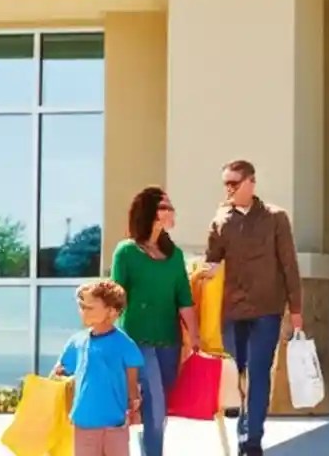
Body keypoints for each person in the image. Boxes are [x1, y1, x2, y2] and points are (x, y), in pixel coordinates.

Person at [204, 159, 303, 456]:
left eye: (234, 183)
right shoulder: (221, 221)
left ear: (251, 182)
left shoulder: (275, 218)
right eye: (226, 184)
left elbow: (289, 265)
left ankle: (251, 439)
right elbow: (212, 261)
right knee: (236, 375)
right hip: (231, 313)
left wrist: (295, 310)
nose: (229, 189)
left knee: (259, 373)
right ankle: (243, 426)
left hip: (266, 310)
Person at [111, 186, 200, 456]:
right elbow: (116, 296)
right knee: (156, 403)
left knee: (158, 408)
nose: (172, 212)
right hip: (137, 340)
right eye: (166, 207)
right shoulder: (126, 252)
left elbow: (184, 300)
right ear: (151, 213)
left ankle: (148, 448)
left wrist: (195, 337)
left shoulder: (175, 256)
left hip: (169, 342)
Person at [53, 280, 144, 456]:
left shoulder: (125, 344)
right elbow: (60, 372)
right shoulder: (76, 342)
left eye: (90, 307)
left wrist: (134, 405)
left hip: (115, 423)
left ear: (112, 311)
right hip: (84, 421)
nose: (83, 312)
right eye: (82, 307)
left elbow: (132, 381)